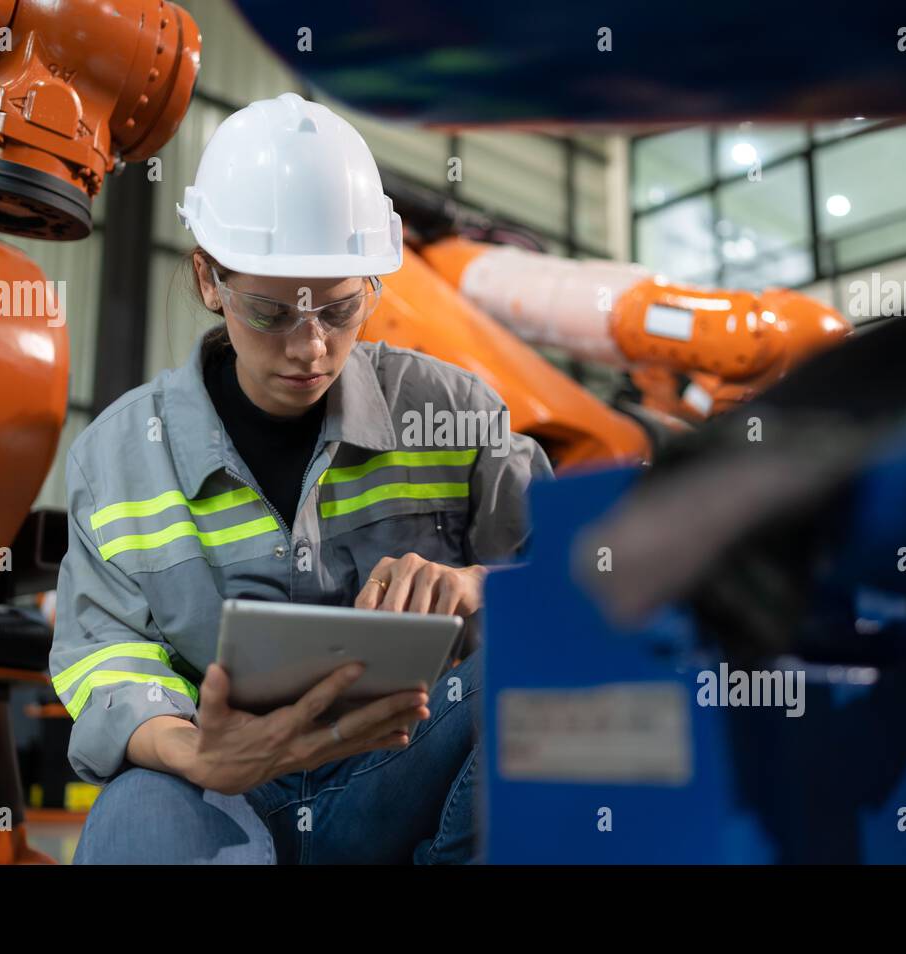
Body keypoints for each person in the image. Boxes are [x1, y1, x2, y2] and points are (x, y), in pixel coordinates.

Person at [49, 92, 552, 864]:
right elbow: (103, 649)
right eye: (272, 312)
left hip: (402, 768)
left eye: (342, 309)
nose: (312, 348)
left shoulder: (450, 415)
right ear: (210, 281)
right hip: (219, 787)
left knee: (531, 678)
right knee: (137, 822)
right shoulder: (120, 457)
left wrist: (484, 584)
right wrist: (192, 751)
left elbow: (583, 579)